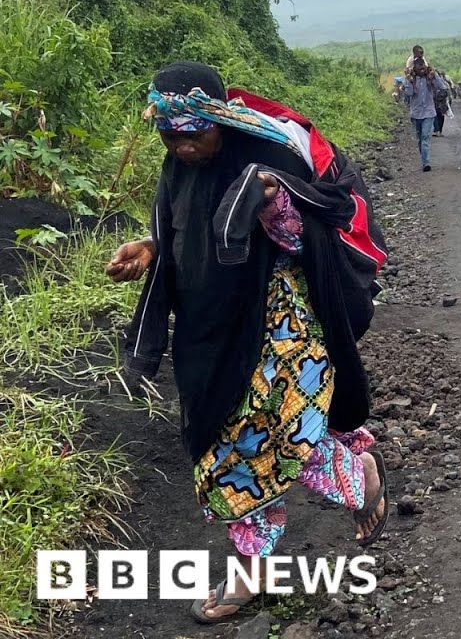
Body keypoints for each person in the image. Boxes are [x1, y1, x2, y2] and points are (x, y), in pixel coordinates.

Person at [108, 61, 389, 624]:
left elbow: (312, 235)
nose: (183, 146)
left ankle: (361, 482)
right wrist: (150, 248)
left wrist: (273, 203)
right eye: (170, 135)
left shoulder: (269, 158)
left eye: (194, 134)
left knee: (281, 442)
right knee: (225, 453)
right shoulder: (178, 164)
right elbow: (184, 231)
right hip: (209, 334)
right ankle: (256, 568)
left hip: (280, 329)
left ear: (217, 119)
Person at [401, 58, 448, 171]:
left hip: (429, 112)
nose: (422, 70)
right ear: (415, 68)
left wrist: (435, 76)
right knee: (420, 139)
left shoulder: (430, 78)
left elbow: (442, 87)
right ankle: (424, 159)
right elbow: (409, 93)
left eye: (423, 67)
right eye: (419, 67)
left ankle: (426, 163)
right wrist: (409, 81)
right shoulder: (411, 79)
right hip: (416, 113)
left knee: (425, 137)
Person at [431, 67, 451, 136]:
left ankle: (438, 131)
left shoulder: (438, 80)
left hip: (438, 100)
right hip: (440, 100)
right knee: (439, 115)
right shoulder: (440, 80)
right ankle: (438, 131)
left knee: (437, 115)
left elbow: (446, 89)